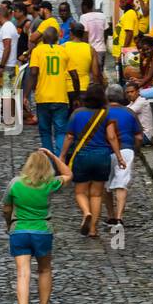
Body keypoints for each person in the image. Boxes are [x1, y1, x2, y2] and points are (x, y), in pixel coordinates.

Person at [2, 147, 72, 304]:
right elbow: (68, 173)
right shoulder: (49, 184)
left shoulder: (15, 184)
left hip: (20, 231)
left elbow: (6, 208)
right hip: (42, 230)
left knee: (23, 273)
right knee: (44, 270)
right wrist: (51, 155)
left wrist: (9, 224)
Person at [60, 83, 126, 237]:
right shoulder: (106, 114)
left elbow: (69, 136)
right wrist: (119, 157)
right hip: (102, 156)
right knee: (96, 194)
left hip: (82, 156)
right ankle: (93, 229)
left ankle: (86, 212)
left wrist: (62, 155)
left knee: (80, 192)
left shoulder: (77, 114)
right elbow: (111, 137)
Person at [25, 27, 71, 157]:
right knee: (61, 132)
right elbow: (73, 73)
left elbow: (33, 73)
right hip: (61, 97)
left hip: (43, 97)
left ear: (43, 39)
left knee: (45, 132)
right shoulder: (63, 51)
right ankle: (60, 160)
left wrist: (26, 94)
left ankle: (50, 161)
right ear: (57, 39)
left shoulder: (37, 51)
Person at [103, 83, 143, 227]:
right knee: (121, 184)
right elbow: (139, 137)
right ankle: (119, 217)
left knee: (105, 185)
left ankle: (110, 215)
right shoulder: (129, 112)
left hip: (106, 151)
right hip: (126, 150)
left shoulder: (102, 112)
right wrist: (136, 150)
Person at [63, 21, 102, 106]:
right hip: (85, 88)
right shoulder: (90, 49)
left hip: (67, 88)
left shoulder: (63, 47)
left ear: (71, 33)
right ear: (83, 34)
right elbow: (95, 74)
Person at [110, 0, 138, 81]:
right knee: (122, 79)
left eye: (122, 1)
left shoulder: (130, 14)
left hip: (128, 53)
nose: (119, 4)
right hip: (125, 52)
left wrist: (123, 51)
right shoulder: (127, 14)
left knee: (128, 80)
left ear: (128, 2)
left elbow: (129, 33)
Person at [80, 0, 106, 75]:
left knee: (92, 74)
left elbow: (85, 35)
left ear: (84, 6)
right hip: (102, 49)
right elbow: (105, 33)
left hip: (90, 50)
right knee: (100, 73)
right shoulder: (102, 16)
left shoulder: (84, 17)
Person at [126, 79, 153, 143]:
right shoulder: (132, 103)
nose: (129, 94)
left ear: (138, 92)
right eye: (127, 92)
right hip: (138, 133)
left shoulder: (142, 101)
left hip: (145, 135)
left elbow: (127, 113)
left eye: (132, 91)